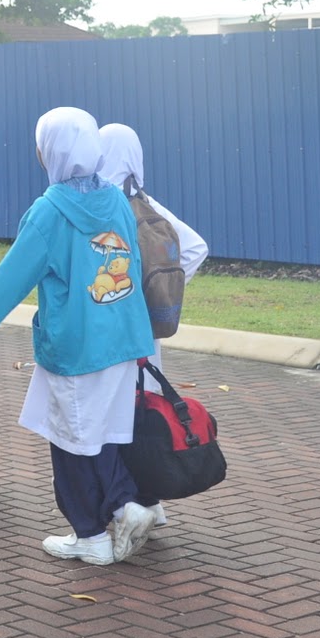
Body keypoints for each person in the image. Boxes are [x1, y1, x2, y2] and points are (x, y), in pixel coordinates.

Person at [0, 108, 158, 566]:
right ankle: (120, 507)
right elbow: (133, 267)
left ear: (54, 150)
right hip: (121, 340)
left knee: (70, 440)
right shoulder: (117, 201)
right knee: (101, 434)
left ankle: (95, 532)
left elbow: (6, 286)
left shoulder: (48, 212)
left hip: (76, 346)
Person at [98, 121, 209, 528]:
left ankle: (131, 502)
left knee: (115, 418)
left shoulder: (100, 203)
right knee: (144, 411)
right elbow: (195, 247)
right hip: (146, 328)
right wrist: (161, 289)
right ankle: (151, 498)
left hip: (111, 329)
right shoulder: (146, 203)